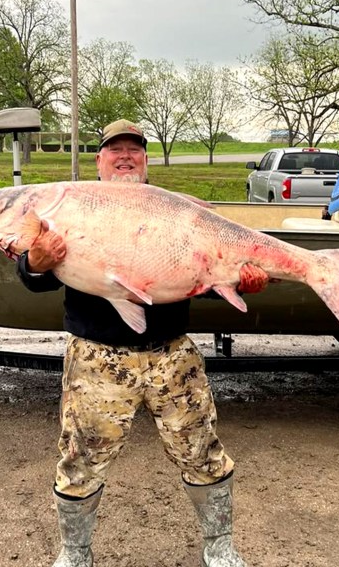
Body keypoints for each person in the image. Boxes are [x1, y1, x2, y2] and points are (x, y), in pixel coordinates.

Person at [16, 119, 268, 567]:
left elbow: (206, 277)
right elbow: (34, 279)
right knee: (81, 459)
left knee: (202, 451)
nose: (126, 156)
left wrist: (240, 280)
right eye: (116, 150)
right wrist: (34, 263)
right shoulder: (71, 209)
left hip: (172, 356)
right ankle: (75, 554)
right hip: (96, 358)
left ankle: (220, 547)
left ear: (146, 161)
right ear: (100, 161)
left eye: (135, 149)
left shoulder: (173, 212)